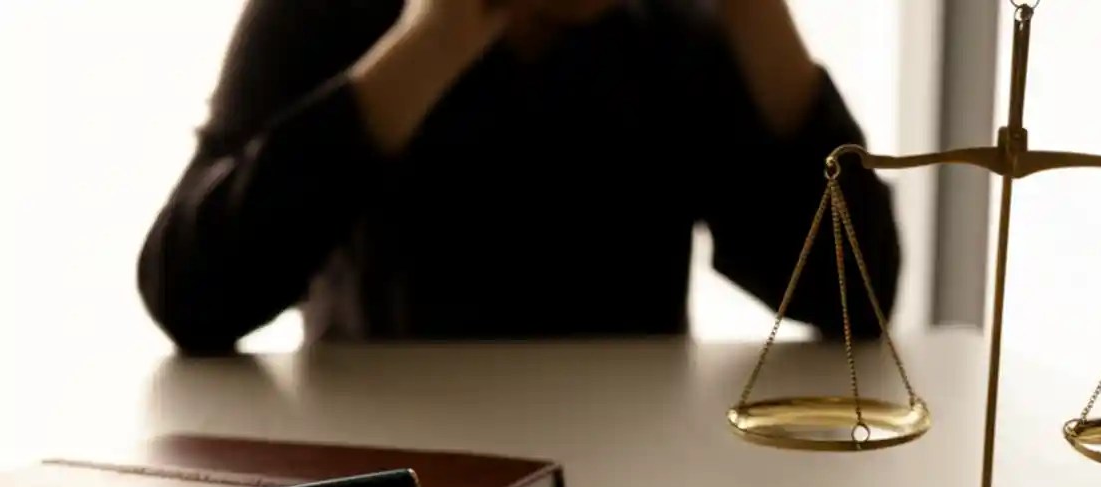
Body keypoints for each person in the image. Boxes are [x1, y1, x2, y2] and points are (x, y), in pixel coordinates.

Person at [137, 0, 901, 354]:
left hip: (629, 485)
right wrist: (436, 38)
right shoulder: (324, 17)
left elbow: (856, 298)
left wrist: (755, 11)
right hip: (373, 476)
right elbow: (191, 296)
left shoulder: (677, 35)